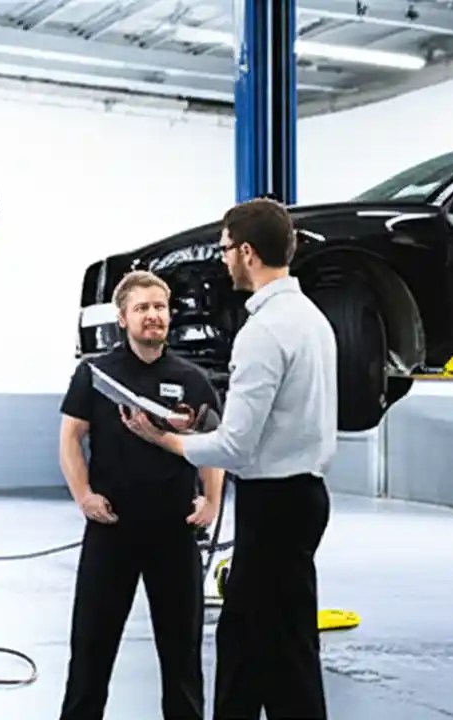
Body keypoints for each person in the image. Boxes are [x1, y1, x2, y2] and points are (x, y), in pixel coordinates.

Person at [119, 197, 338, 720]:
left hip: (274, 502)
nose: (221, 260)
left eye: (223, 249)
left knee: (281, 651)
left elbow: (236, 448)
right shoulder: (312, 320)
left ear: (246, 251)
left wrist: (166, 440)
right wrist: (201, 429)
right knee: (253, 638)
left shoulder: (262, 331)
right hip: (304, 496)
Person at [58, 269, 226, 720]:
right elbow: (70, 438)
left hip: (173, 534)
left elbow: (213, 446)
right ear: (122, 317)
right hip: (111, 529)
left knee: (181, 656)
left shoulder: (192, 379)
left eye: (159, 307)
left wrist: (211, 501)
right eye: (142, 308)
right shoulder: (95, 374)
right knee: (91, 651)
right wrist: (84, 496)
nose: (153, 316)